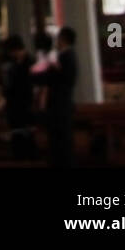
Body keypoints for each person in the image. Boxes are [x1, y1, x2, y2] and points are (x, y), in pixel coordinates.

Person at [45, 26, 78, 167]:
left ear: (63, 39)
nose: (56, 41)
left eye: (58, 38)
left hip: (61, 105)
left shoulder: (67, 57)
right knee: (60, 141)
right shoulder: (66, 56)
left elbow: (62, 79)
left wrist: (52, 70)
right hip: (60, 104)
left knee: (62, 142)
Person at [3, 34, 36, 159]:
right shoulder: (14, 64)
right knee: (16, 140)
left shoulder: (30, 62)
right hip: (14, 107)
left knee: (27, 138)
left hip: (26, 105)